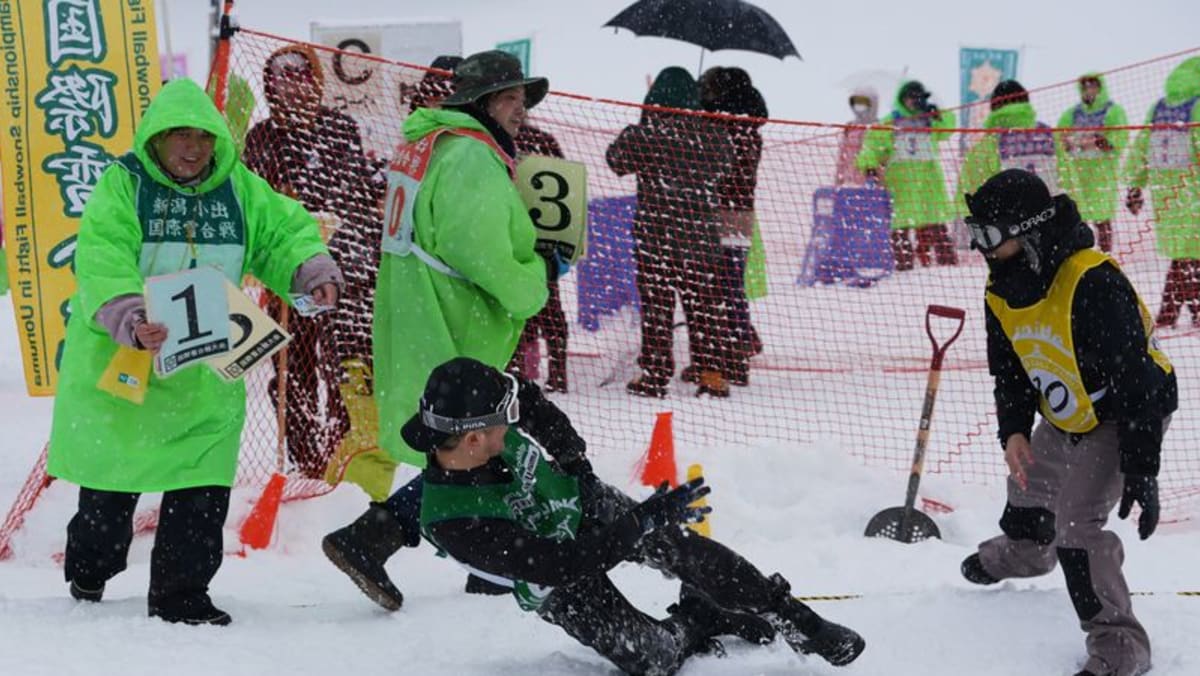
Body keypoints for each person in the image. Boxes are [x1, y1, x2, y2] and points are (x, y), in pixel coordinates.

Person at [46, 78, 342, 625]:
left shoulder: (240, 188)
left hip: (207, 366)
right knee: (110, 488)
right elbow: (103, 254)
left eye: (203, 136)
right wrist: (130, 317)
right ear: (155, 139)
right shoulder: (123, 184)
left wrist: (310, 270)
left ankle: (182, 595)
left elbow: (283, 234)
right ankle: (91, 565)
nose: (192, 147)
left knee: (202, 487)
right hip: (128, 356)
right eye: (178, 135)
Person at [407, 357, 865, 675]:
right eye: (502, 423)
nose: (513, 422)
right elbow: (564, 564)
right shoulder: (453, 523)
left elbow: (532, 403)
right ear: (471, 442)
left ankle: (799, 622)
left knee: (676, 546)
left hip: (575, 501)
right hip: (557, 579)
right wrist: (638, 521)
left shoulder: (470, 415)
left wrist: (578, 467)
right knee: (655, 660)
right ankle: (701, 616)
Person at [321, 50, 554, 610]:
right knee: (482, 440)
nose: (520, 110)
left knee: (466, 443)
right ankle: (475, 568)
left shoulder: (426, 146)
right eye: (510, 98)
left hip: (418, 311)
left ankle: (390, 541)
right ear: (480, 103)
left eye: (522, 100)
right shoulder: (470, 157)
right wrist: (534, 278)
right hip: (456, 317)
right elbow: (477, 248)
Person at [960, 169, 1176, 676]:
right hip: (1067, 410)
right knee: (1030, 488)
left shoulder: (1092, 282)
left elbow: (1138, 383)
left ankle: (1119, 646)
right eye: (976, 235)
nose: (981, 249)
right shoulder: (1003, 287)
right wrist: (1012, 429)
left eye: (991, 236)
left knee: (1077, 528)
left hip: (1123, 413)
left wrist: (1141, 468)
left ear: (1029, 229)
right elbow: (1009, 369)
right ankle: (1027, 553)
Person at [243, 44, 385, 488]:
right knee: (292, 367)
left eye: (301, 76)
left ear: (316, 81)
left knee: (347, 363)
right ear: (271, 86)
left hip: (346, 269)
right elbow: (256, 198)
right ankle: (306, 457)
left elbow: (358, 189)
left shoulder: (341, 129)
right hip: (289, 273)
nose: (294, 86)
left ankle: (345, 447)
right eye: (283, 78)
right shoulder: (262, 137)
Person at [606, 67, 735, 398]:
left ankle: (654, 374)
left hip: (656, 238)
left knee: (657, 309)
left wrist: (646, 126)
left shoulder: (643, 136)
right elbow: (725, 167)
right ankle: (711, 373)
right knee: (704, 308)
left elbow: (616, 161)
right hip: (701, 240)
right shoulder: (715, 137)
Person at [698, 66, 767, 387]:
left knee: (714, 288)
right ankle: (739, 347)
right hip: (742, 216)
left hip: (714, 215)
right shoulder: (751, 131)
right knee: (733, 286)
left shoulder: (720, 131)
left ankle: (722, 356)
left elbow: (711, 171)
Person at [1123, 56, 1200, 329]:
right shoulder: (1198, 105)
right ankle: (1184, 312)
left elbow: (1141, 147)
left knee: (1185, 254)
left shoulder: (1159, 108)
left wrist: (1135, 184)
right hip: (1193, 192)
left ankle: (1170, 315)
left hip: (1166, 193)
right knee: (1191, 255)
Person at [856, 80, 957, 270]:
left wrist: (939, 114)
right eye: (911, 98)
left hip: (929, 183)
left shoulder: (931, 120)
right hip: (902, 184)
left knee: (936, 226)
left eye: (919, 99)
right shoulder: (891, 121)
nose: (914, 103)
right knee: (900, 227)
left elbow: (949, 129)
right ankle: (904, 268)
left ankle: (948, 267)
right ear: (902, 99)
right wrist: (869, 164)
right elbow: (871, 145)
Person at [510, 120, 572, 393]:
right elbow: (567, 189)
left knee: (515, 307)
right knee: (548, 306)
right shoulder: (544, 141)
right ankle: (557, 373)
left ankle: (515, 372)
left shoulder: (493, 140)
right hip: (544, 238)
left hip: (513, 237)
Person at [958, 80, 1059, 208]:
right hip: (1052, 216)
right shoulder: (1049, 134)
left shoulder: (988, 144)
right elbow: (1068, 177)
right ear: (1026, 101)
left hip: (1011, 220)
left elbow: (969, 190)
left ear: (994, 107)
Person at [1058, 73, 1129, 253]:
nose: (1089, 91)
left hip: (1102, 173)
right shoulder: (1072, 113)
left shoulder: (1113, 111)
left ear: (1101, 88)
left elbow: (1120, 137)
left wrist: (1097, 141)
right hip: (1078, 172)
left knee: (1102, 217)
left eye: (1093, 86)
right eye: (1085, 87)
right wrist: (1067, 142)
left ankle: (1106, 254)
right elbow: (1059, 136)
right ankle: (1081, 253)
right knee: (1078, 216)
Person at [834, 86, 879, 187]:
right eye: (856, 102)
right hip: (848, 183)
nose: (859, 106)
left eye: (863, 102)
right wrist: (837, 182)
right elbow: (842, 159)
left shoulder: (880, 129)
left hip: (870, 185)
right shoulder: (850, 128)